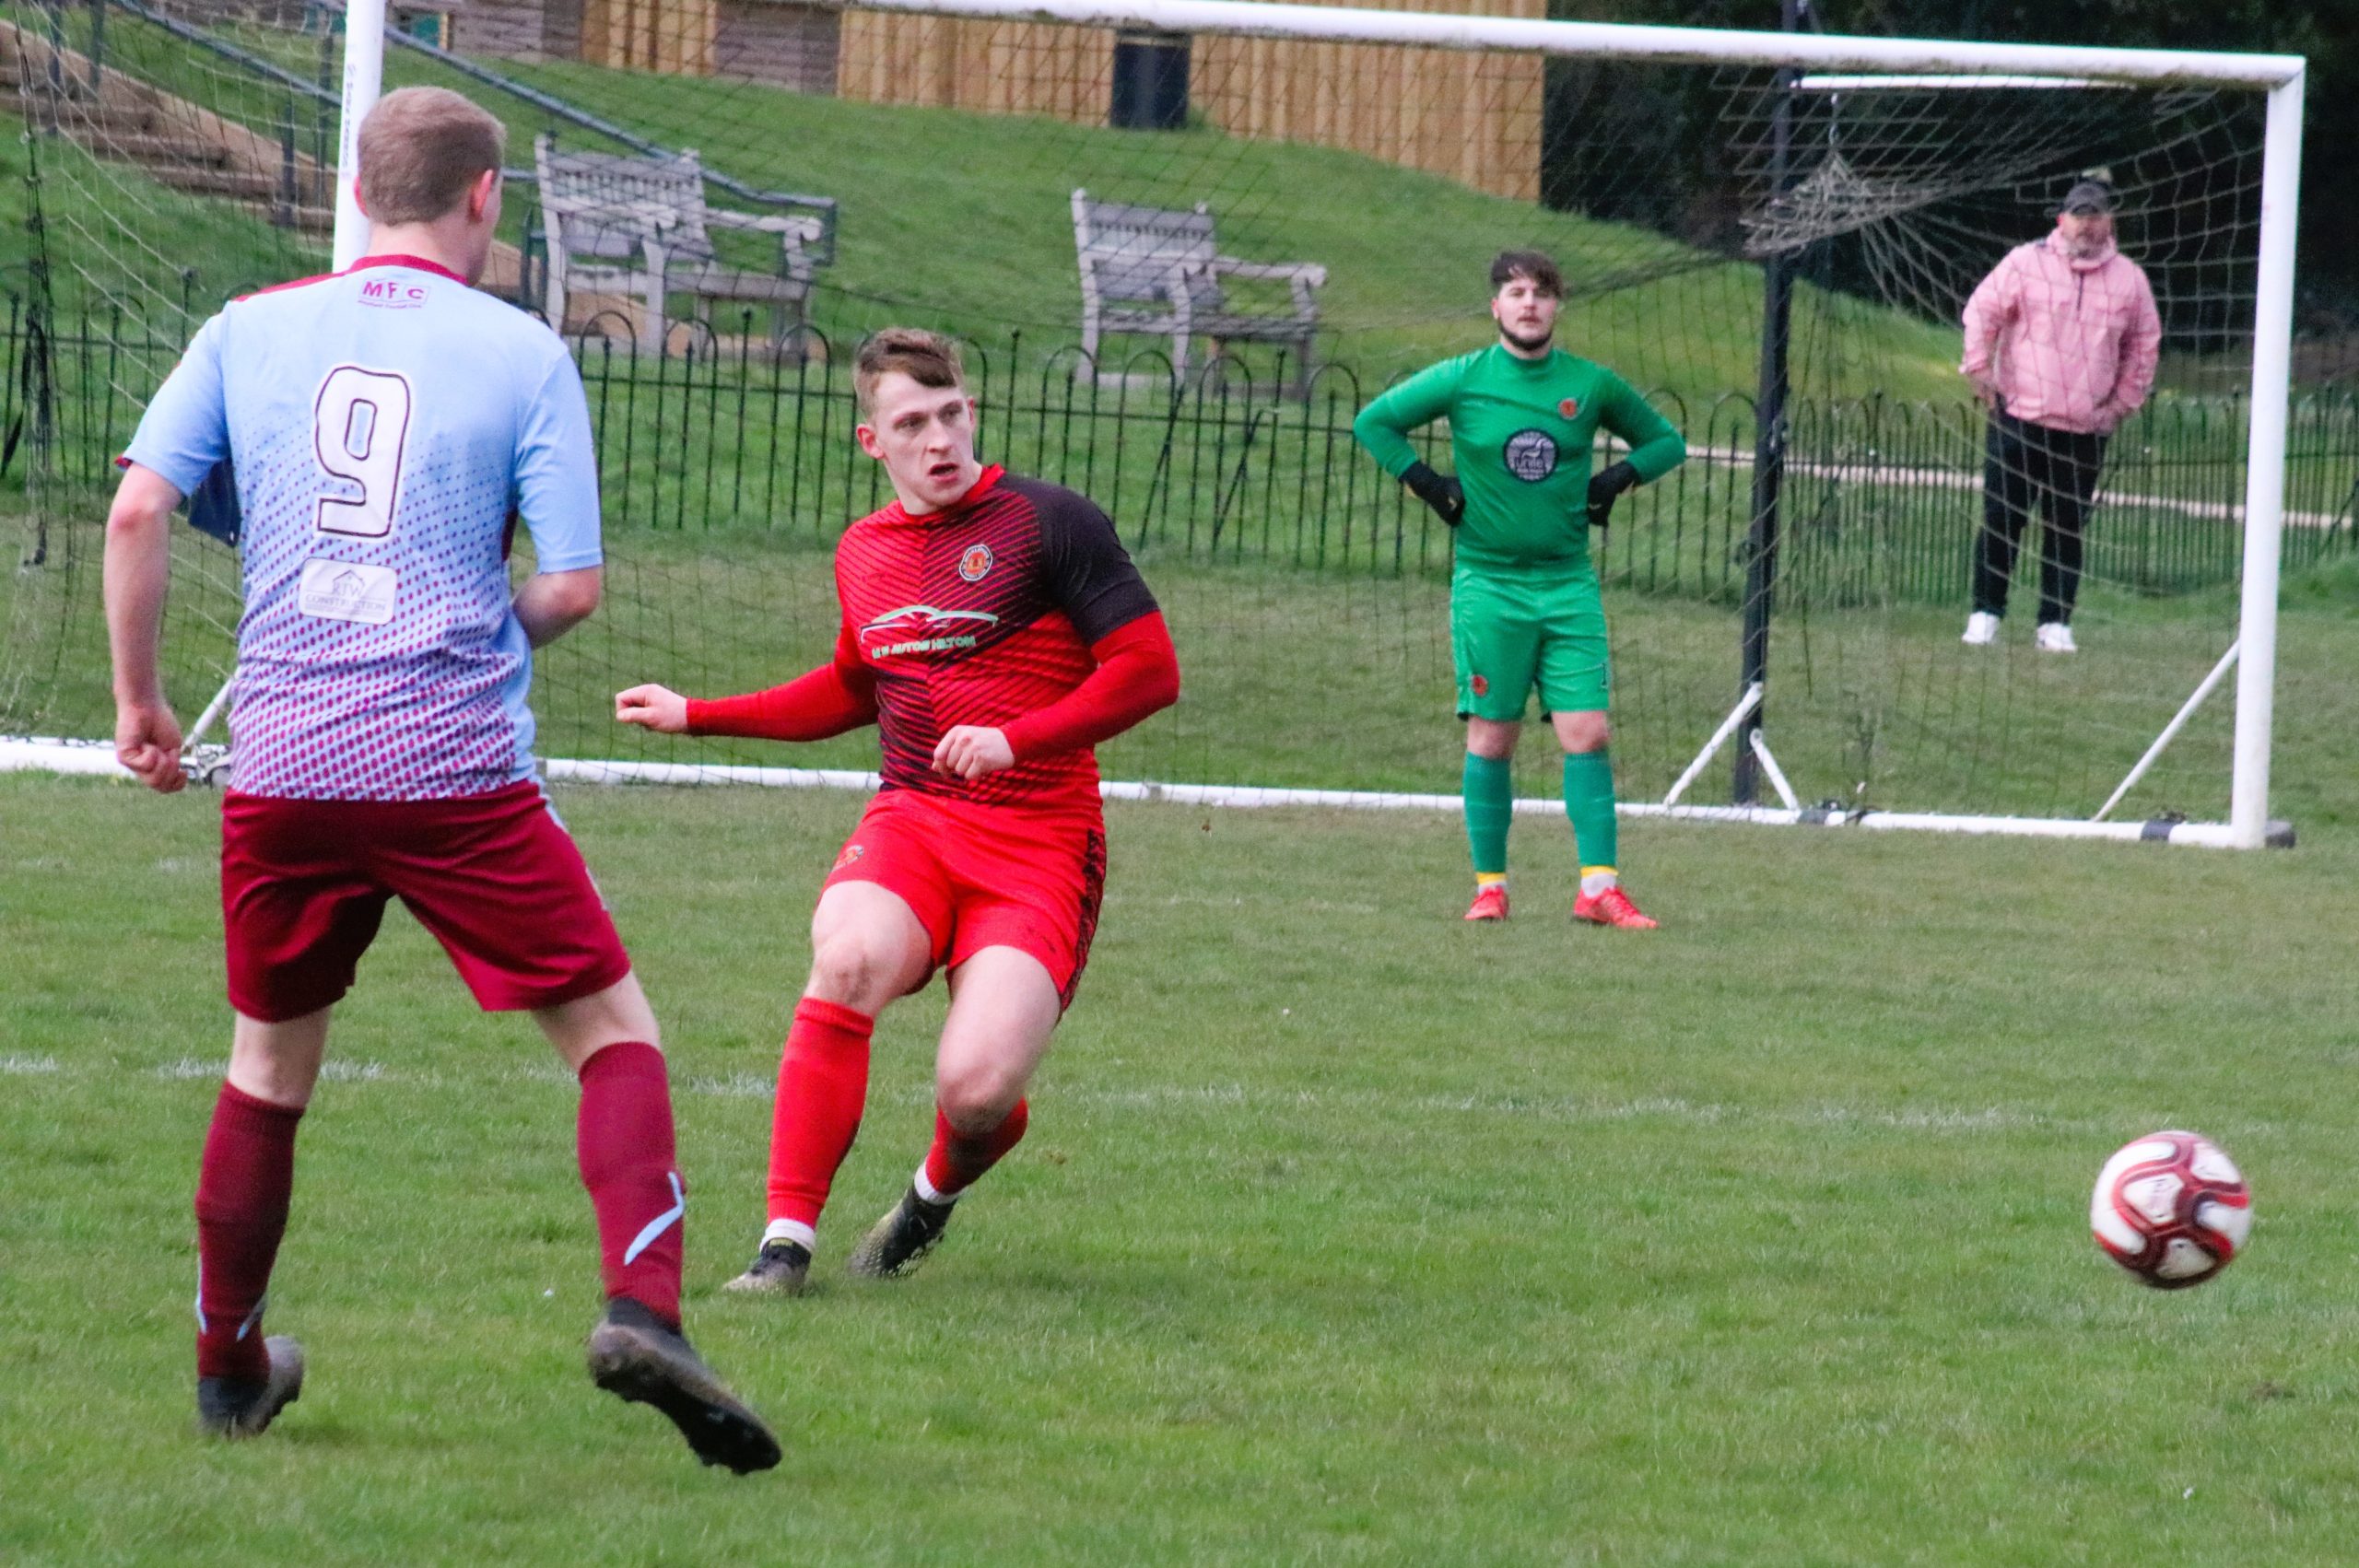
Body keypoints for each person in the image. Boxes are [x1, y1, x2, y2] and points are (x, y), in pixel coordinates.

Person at [101, 87, 778, 1472]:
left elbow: (137, 505)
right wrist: (473, 625)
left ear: (358, 193)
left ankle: (229, 1360)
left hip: (285, 760)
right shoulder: (524, 351)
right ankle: (645, 1309)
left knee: (268, 1067)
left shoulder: (249, 325)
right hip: (449, 765)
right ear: (485, 200)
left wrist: (142, 700)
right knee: (614, 1033)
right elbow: (573, 588)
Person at [615, 327, 1180, 1295]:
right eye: (912, 423)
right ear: (870, 441)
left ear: (973, 412)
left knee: (976, 1091)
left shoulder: (1051, 522)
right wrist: (697, 715)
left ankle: (928, 1196)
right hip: (915, 817)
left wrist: (1019, 736)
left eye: (952, 413)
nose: (940, 439)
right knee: (846, 959)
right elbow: (850, 689)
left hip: (1040, 843)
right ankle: (782, 1248)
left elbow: (1149, 671)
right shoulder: (864, 553)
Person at [1352, 251, 1686, 928]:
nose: (1529, 302)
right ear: (1496, 308)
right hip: (1489, 587)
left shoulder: (1588, 385)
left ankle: (1598, 888)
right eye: (1515, 291)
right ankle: (1490, 887)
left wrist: (1617, 479)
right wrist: (1427, 483)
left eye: (1541, 292)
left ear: (1557, 307)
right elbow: (1374, 423)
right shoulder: (1464, 378)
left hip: (1568, 586)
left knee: (1587, 732)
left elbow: (1665, 442)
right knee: (1492, 739)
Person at [1959, 176, 2161, 653]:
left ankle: (2055, 622)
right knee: (2001, 519)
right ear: (2061, 219)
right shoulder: (2024, 263)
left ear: (2110, 221)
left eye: (2095, 216)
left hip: (2084, 427)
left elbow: (2144, 347)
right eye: (2079, 216)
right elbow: (1982, 311)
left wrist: (2120, 406)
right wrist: (1978, 368)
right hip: (2019, 417)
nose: (2086, 227)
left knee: (2067, 526)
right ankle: (1985, 614)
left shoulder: (2130, 280)